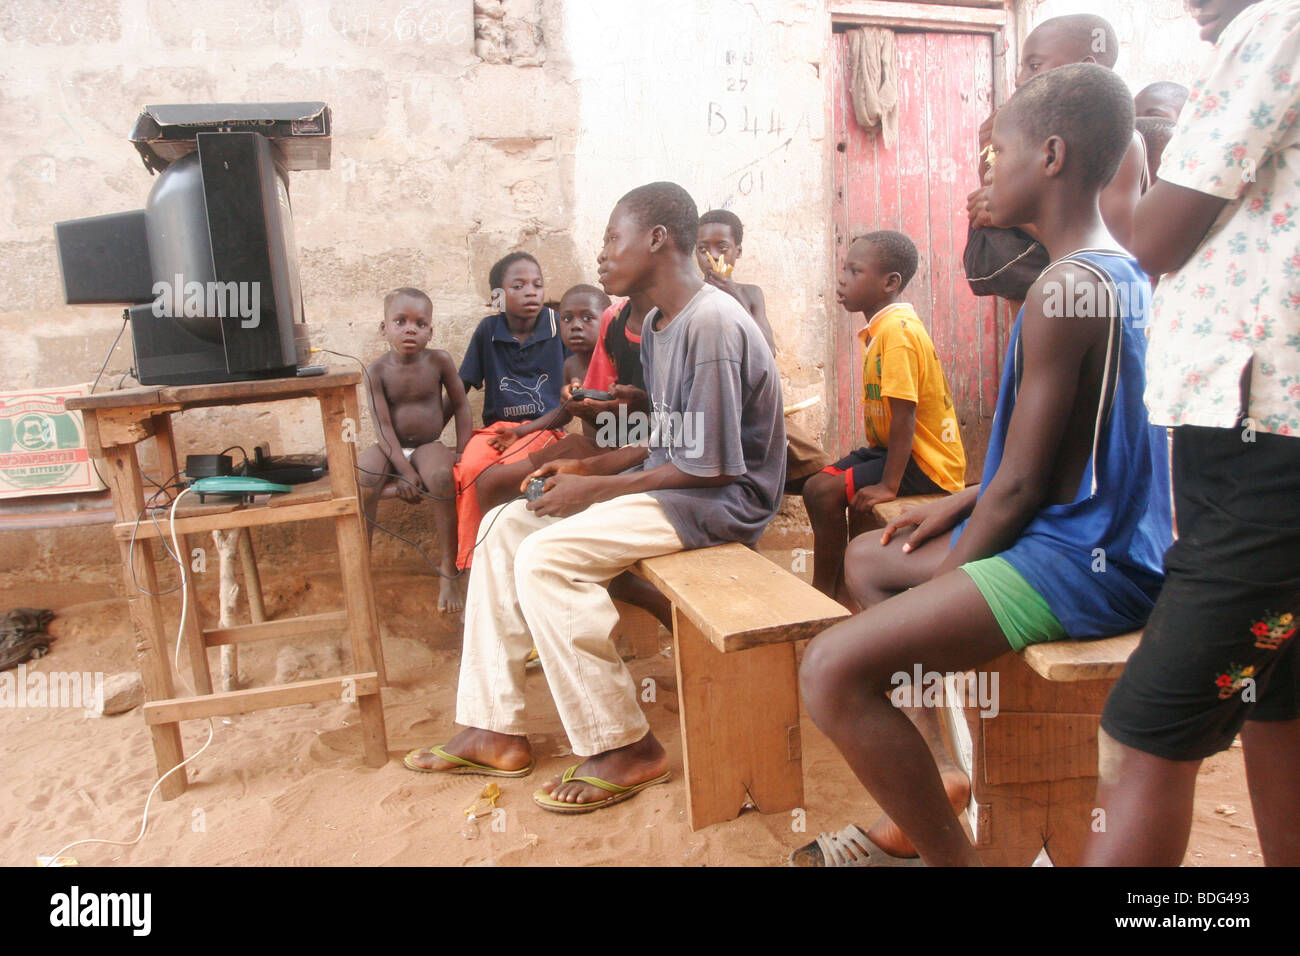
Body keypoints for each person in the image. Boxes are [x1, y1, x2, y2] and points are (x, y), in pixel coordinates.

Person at [795, 63, 1173, 866]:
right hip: (1112, 541)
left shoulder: (1061, 292)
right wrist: (965, 496)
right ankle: (941, 772)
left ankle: (950, 860)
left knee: (829, 669)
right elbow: (1074, 454)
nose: (984, 169)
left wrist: (956, 569)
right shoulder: (1122, 271)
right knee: (871, 556)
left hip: (1083, 564)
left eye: (996, 150)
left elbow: (1030, 487)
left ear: (1053, 156)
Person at [404, 182, 786, 815]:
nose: (602, 254)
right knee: (504, 527)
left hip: (722, 501)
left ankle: (624, 746)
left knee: (546, 558)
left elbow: (710, 467)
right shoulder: (662, 322)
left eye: (614, 237)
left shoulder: (713, 324)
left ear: (658, 239)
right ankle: (493, 726)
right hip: (681, 485)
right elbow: (671, 436)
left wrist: (596, 485)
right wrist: (607, 446)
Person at [1087, 0, 1300, 868]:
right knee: (1276, 692)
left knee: (1146, 728)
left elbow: (1156, 237)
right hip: (1251, 425)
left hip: (1269, 439)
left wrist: (1117, 147)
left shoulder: (1278, 23)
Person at [802, 231, 966, 603]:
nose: (842, 278)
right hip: (891, 450)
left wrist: (889, 486)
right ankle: (836, 589)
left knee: (828, 493)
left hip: (926, 462)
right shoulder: (880, 329)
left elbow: (905, 415)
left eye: (855, 271)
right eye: (844, 268)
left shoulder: (897, 332)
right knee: (818, 487)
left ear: (890, 283)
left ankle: (831, 596)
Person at [964, 14, 1148, 312]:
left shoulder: (1121, 142)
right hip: (1041, 302)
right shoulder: (1035, 135)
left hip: (1086, 305)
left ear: (1086, 67)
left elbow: (1115, 242)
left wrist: (1004, 213)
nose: (1021, 78)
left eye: (1034, 65)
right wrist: (990, 147)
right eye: (1021, 67)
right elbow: (995, 184)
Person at [697, 208, 833, 492]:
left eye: (722, 248)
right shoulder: (690, 297)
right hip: (710, 411)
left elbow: (767, 349)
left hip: (753, 410)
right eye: (702, 249)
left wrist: (733, 295)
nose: (713, 258)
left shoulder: (749, 293)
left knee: (821, 470)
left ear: (738, 251)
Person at [451, 253, 569, 569]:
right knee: (471, 467)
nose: (531, 292)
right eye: (518, 286)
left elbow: (579, 381)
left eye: (537, 284)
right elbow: (460, 389)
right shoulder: (488, 331)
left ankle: (518, 558)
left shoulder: (559, 326)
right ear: (497, 298)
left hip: (545, 427)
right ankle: (473, 562)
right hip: (498, 429)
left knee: (509, 473)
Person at [356, 287, 471, 613]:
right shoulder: (375, 371)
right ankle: (361, 566)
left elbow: (461, 406)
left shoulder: (440, 361)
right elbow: (383, 427)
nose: (410, 329)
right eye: (400, 321)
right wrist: (405, 473)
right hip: (389, 446)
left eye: (420, 324)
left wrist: (463, 450)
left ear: (431, 331)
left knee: (440, 475)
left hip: (427, 444)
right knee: (365, 476)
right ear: (384, 329)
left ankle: (448, 569)